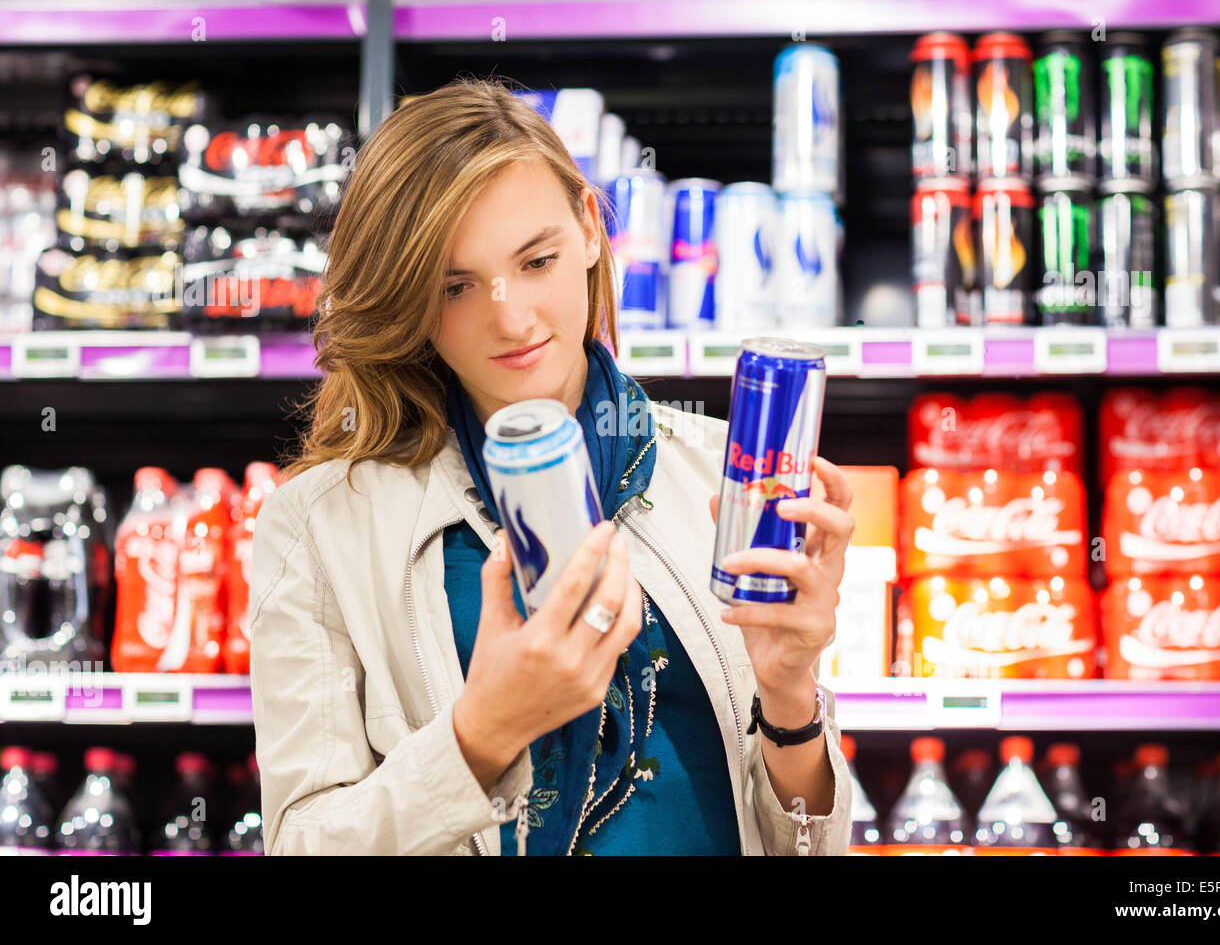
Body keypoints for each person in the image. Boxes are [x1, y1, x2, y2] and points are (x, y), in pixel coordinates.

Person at [249, 76, 855, 855]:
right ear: (405, 299)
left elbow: (807, 845)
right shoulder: (320, 524)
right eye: (455, 286)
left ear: (592, 227)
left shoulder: (719, 479)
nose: (511, 316)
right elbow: (301, 842)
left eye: (537, 260)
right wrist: (481, 734)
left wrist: (789, 695)